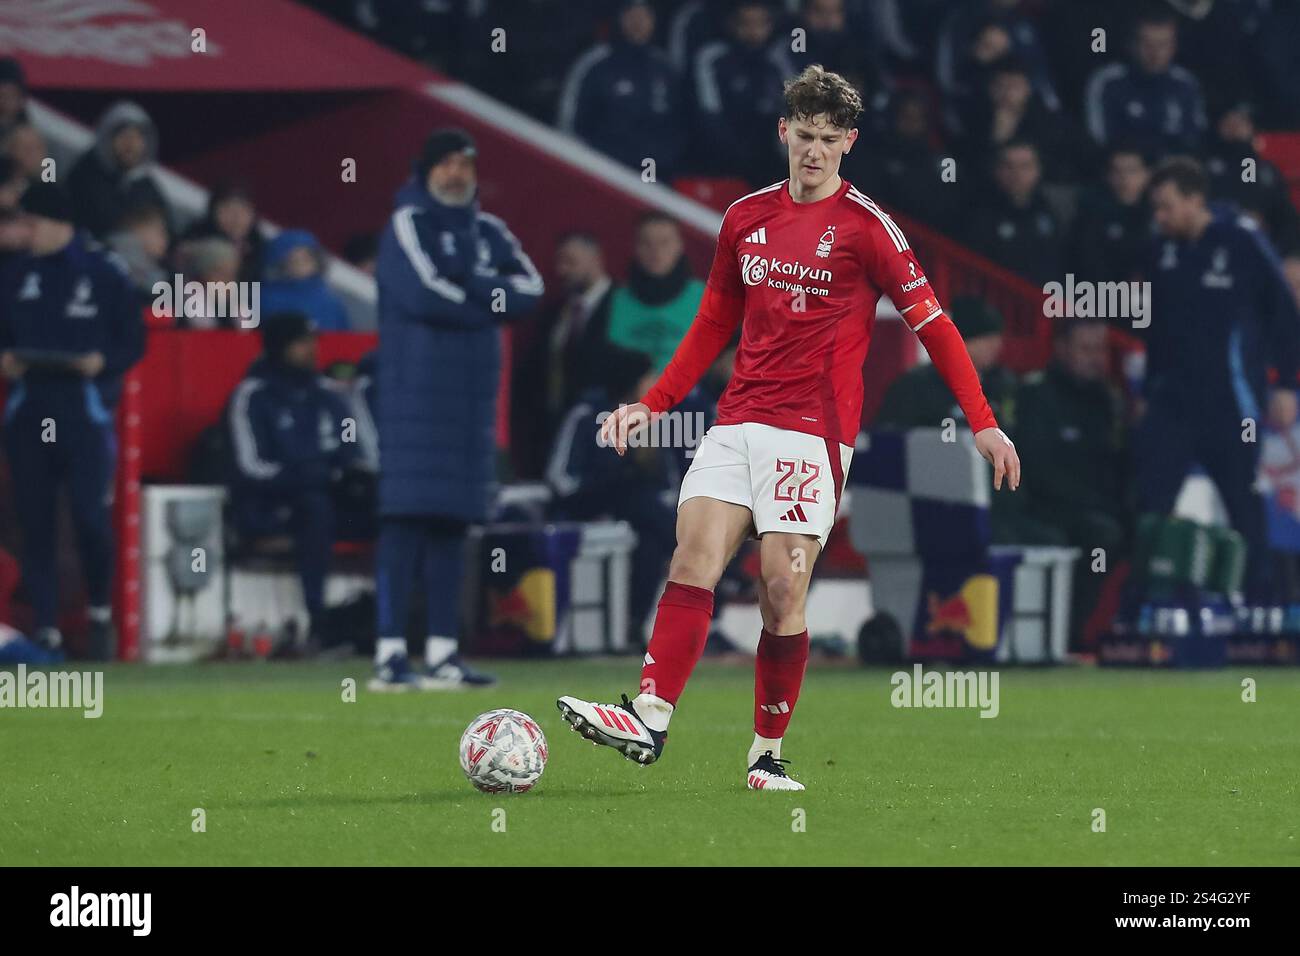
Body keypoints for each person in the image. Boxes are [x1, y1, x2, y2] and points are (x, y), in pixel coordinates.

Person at [556, 65, 1020, 791]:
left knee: (780, 592)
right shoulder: (744, 218)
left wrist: (984, 424)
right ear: (784, 131)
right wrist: (655, 403)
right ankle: (649, 715)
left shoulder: (869, 229)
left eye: (829, 140)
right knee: (692, 563)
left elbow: (935, 325)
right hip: (736, 422)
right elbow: (713, 321)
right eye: (804, 135)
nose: (814, 151)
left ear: (849, 143)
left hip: (811, 437)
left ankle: (765, 755)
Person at [371, 128, 543, 690]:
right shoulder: (407, 224)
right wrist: (485, 303)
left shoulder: (490, 230)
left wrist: (469, 286)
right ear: (425, 171)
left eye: (464, 165)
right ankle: (389, 655)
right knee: (404, 521)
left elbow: (531, 289)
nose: (456, 174)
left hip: (470, 407)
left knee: (453, 525)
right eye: (445, 163)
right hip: (413, 398)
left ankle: (443, 652)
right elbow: (420, 292)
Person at [1138, 157, 1300, 601]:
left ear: (1195, 200)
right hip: (1173, 404)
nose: (1161, 217)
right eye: (1156, 209)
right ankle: (1151, 612)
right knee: (1152, 503)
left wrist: (1285, 382)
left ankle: (1262, 613)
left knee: (1244, 510)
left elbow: (1285, 314)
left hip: (1232, 405)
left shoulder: (1242, 241)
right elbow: (1158, 331)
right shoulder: (1161, 251)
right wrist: (1151, 390)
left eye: (1168, 207)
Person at [0, 183, 144, 657]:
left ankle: (100, 609)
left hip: (83, 412)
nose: (24, 231)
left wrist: (103, 363)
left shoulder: (103, 274)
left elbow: (133, 339)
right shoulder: (14, 273)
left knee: (88, 516)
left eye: (31, 222)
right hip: (29, 408)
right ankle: (46, 626)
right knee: (34, 521)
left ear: (58, 224)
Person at [226, 313, 362, 640]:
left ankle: (394, 623)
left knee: (397, 512)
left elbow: (353, 447)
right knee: (314, 509)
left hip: (333, 496)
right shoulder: (253, 396)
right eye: (302, 342)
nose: (312, 349)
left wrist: (353, 476)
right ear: (280, 346)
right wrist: (309, 475)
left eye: (313, 341)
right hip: (273, 505)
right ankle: (318, 621)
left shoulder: (331, 395)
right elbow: (251, 468)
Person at [1008, 317, 1128, 643]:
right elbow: (1037, 468)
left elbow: (1119, 462)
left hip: (1100, 508)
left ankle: (1135, 632)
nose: (1095, 358)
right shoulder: (1036, 396)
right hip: (1046, 507)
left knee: (1148, 526)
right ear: (1061, 349)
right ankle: (1069, 634)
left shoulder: (1108, 401)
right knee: (1101, 534)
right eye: (1085, 349)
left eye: (1100, 350)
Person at [557, 0, 687, 180]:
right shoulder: (594, 63)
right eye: (631, 14)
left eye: (645, 15)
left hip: (653, 181)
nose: (638, 22)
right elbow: (569, 126)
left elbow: (678, 129)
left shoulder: (665, 70)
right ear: (619, 18)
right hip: (600, 175)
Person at [692, 0, 796, 187]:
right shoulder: (713, 59)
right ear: (732, 24)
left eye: (760, 24)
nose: (753, 31)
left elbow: (791, 112)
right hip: (723, 164)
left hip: (772, 164)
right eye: (746, 23)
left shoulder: (777, 62)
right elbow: (710, 118)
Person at [874, 297, 1016, 429]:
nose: (995, 347)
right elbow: (892, 434)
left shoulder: (1001, 382)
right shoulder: (917, 385)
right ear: (961, 341)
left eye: (996, 340)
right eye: (986, 340)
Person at [1084, 10, 1206, 159]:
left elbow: (1194, 140)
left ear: (1174, 47)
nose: (1155, 53)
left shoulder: (1186, 84)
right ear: (1131, 44)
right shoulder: (1108, 83)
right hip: (1125, 172)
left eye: (1163, 44)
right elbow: (1100, 142)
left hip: (1172, 172)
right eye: (1147, 44)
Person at [605, 213, 705, 373]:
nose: (655, 251)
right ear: (635, 247)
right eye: (646, 243)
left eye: (664, 243)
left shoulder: (706, 297)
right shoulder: (613, 299)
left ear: (680, 246)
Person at [67, 101, 172, 239]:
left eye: (136, 137)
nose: (130, 144)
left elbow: (169, 232)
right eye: (123, 136)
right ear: (107, 138)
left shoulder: (148, 188)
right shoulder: (83, 178)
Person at [964, 138, 1063, 285]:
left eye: (1025, 166)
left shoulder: (1049, 213)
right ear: (997, 171)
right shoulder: (981, 216)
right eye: (1008, 166)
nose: (1016, 174)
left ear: (1038, 171)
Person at [260, 230, 350, 332]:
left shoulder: (332, 301)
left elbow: (344, 341)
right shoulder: (264, 298)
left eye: (306, 257)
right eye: (294, 259)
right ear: (280, 264)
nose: (301, 264)